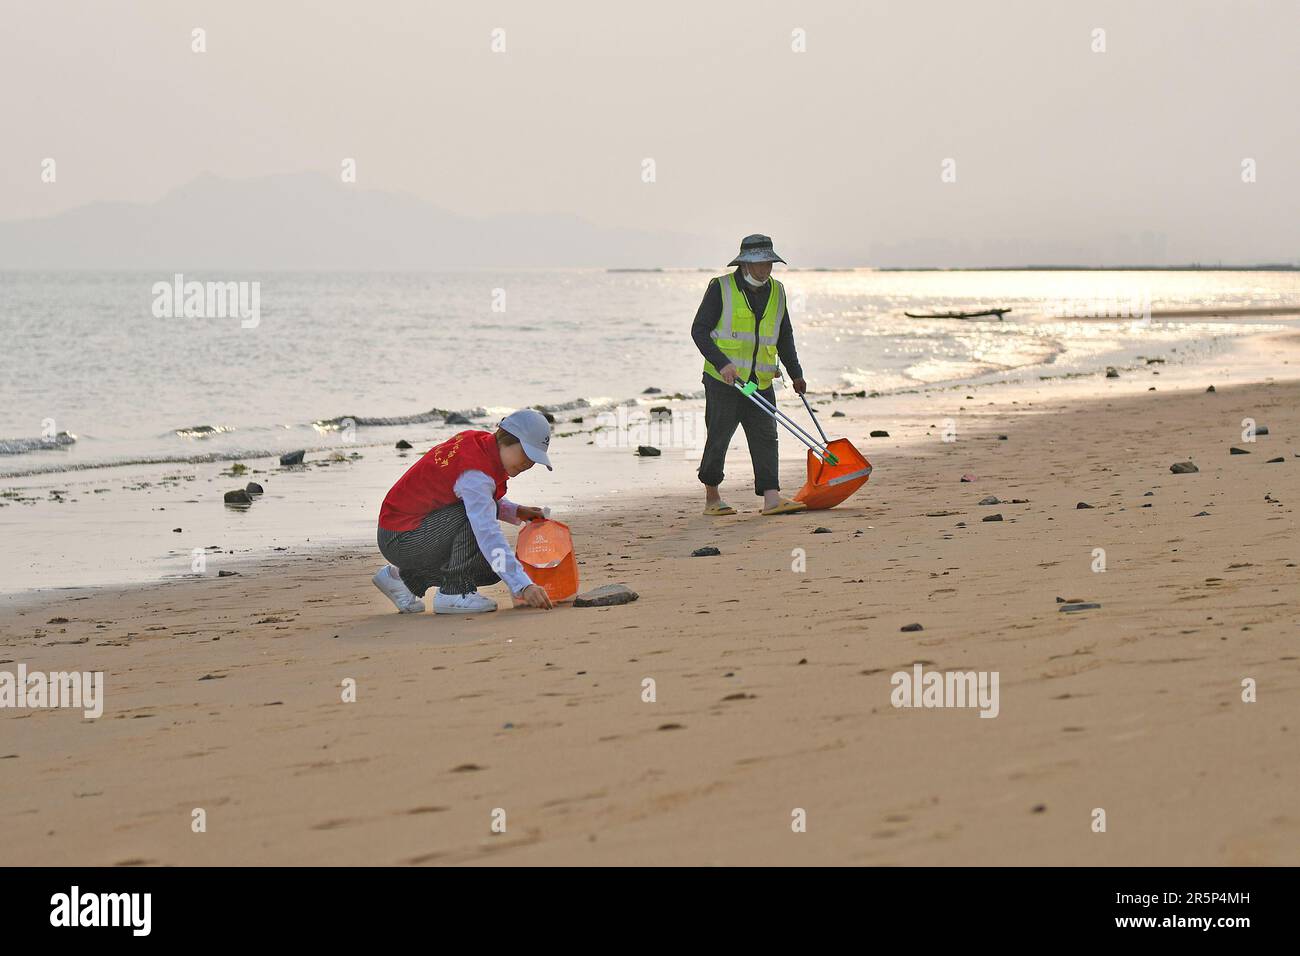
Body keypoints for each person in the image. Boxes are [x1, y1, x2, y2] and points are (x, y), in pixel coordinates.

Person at [372, 409, 555, 615]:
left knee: (490, 569)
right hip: (401, 537)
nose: (529, 463)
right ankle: (453, 592)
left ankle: (404, 580)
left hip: (412, 531)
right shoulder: (476, 473)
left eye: (535, 459)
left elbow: (476, 497)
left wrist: (516, 511)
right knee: (484, 537)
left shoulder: (480, 445)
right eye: (527, 453)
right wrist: (523, 585)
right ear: (508, 439)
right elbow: (485, 529)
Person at [691, 233, 808, 516]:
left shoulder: (777, 291)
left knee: (766, 436)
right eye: (760, 262)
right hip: (724, 382)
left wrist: (796, 374)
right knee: (719, 437)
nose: (766, 268)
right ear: (745, 264)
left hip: (759, 382)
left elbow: (785, 336)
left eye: (769, 262)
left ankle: (771, 498)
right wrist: (722, 363)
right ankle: (712, 498)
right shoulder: (721, 288)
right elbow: (699, 330)